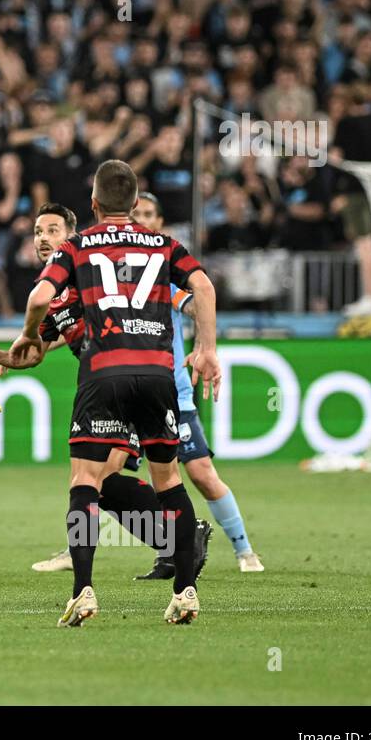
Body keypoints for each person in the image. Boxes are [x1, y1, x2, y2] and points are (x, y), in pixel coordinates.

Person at [7, 160, 222, 626]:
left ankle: (84, 589)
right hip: (158, 373)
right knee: (169, 483)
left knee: (85, 482)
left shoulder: (78, 246)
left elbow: (41, 298)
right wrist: (207, 350)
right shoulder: (164, 244)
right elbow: (203, 285)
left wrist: (26, 334)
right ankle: (185, 591)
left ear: (94, 204)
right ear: (135, 201)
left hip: (103, 372)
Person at [0, 203, 210, 578]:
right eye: (38, 232)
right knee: (104, 485)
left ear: (71, 235)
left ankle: (172, 542)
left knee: (96, 481)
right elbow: (38, 349)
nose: (43, 238)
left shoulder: (90, 272)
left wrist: (203, 345)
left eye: (52, 230)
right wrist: (6, 355)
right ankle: (178, 541)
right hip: (112, 389)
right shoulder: (54, 293)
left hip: (128, 381)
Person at [131, 192, 263, 573]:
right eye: (135, 213)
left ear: (159, 225)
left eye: (149, 214)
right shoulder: (113, 270)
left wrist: (207, 345)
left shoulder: (163, 278)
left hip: (171, 392)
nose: (141, 219)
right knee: (103, 476)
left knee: (200, 473)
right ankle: (171, 550)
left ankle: (243, 549)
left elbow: (194, 302)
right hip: (126, 391)